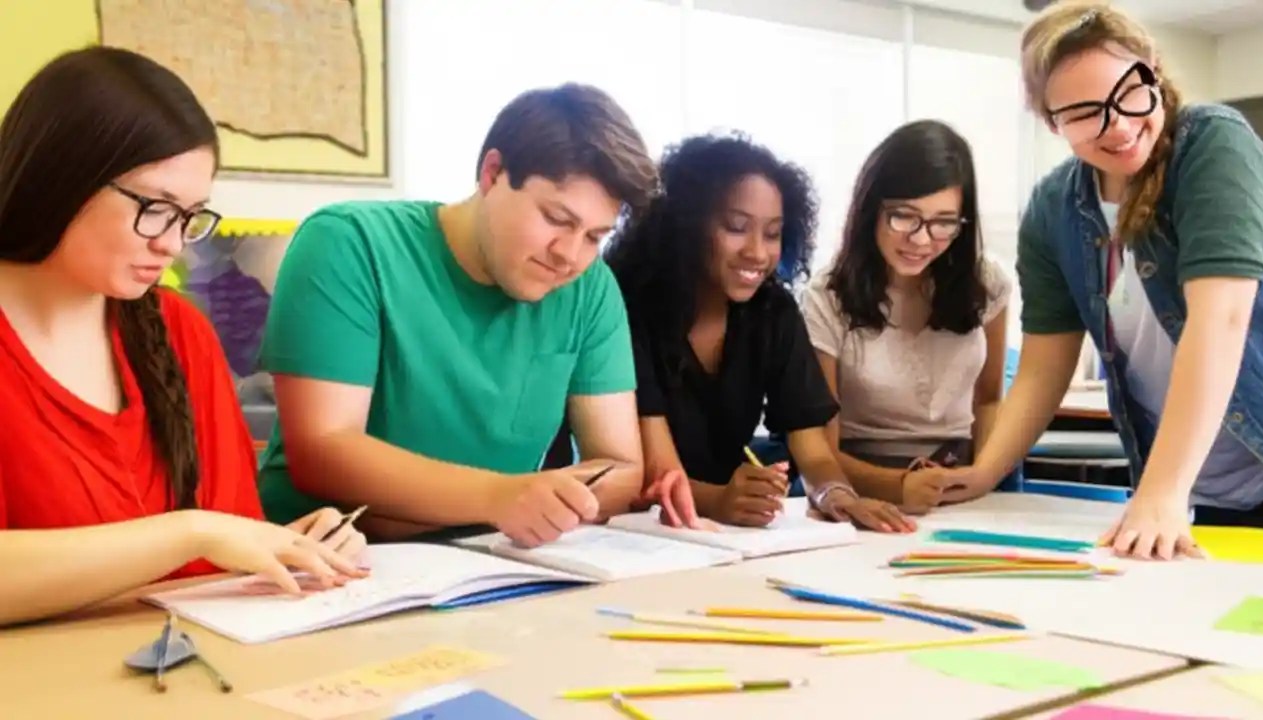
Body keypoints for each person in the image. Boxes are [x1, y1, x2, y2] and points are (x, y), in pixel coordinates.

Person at [0, 48, 367, 627]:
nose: (172, 245)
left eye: (190, 216)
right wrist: (190, 531)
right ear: (61, 175)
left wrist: (287, 550)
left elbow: (216, 549)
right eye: (155, 208)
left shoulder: (177, 331)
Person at [257, 83, 681, 547]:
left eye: (594, 236)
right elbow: (324, 451)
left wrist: (527, 502)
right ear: (492, 172)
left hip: (487, 563)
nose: (570, 256)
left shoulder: (590, 287)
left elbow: (621, 469)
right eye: (556, 219)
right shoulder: (349, 243)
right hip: (322, 565)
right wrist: (498, 498)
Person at [939, 1, 1263, 557]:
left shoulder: (1214, 146)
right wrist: (982, 473)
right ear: (1052, 122)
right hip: (1212, 489)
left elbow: (1221, 319)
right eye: (1084, 112)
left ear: (1154, 70)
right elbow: (1045, 366)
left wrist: (1160, 493)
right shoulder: (1055, 208)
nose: (1118, 125)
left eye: (1130, 93)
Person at [604, 132, 915, 532]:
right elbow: (657, 473)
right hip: (637, 530)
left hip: (724, 535)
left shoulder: (773, 312)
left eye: (772, 233)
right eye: (736, 227)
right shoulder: (629, 310)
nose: (757, 252)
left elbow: (813, 450)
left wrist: (838, 496)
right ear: (686, 226)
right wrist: (719, 500)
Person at [800, 120, 1010, 516]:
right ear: (870, 209)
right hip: (863, 484)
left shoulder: (987, 283)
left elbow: (989, 400)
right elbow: (820, 449)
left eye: (943, 222)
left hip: (960, 482)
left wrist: (980, 476)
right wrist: (898, 485)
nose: (921, 239)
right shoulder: (827, 296)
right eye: (903, 216)